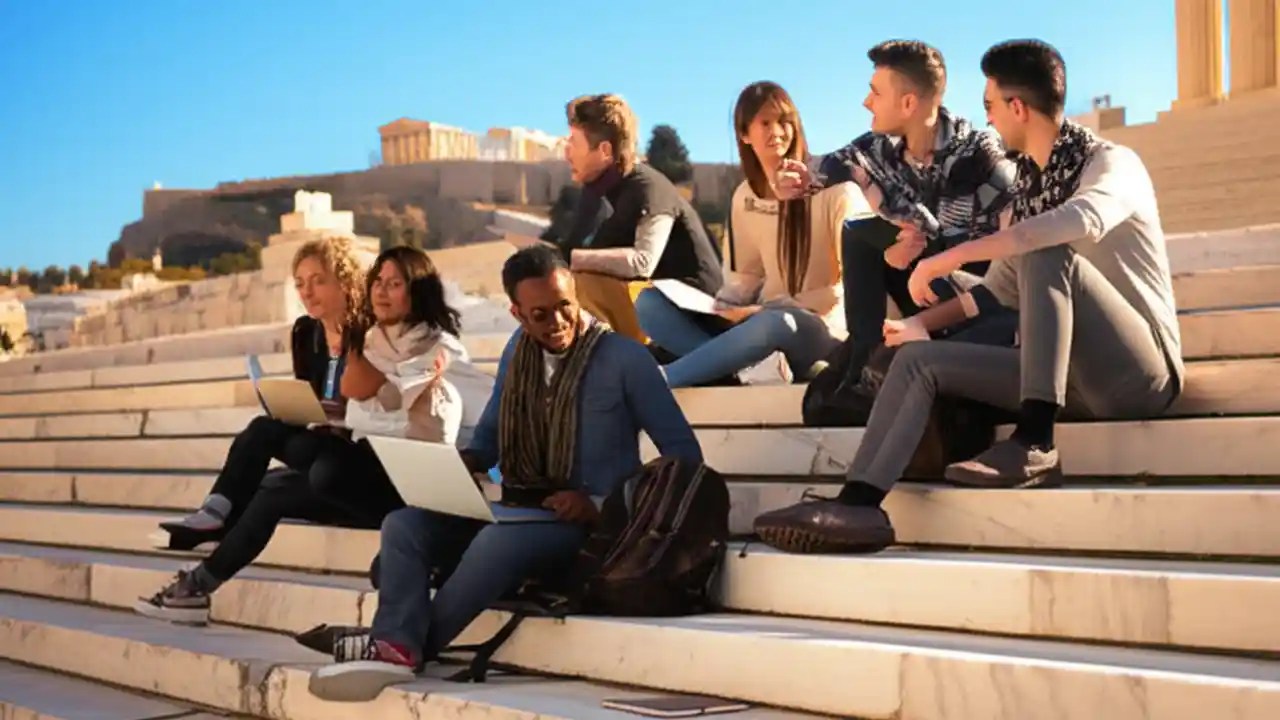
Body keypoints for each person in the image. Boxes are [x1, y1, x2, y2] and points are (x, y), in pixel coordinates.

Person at [754, 39, 1184, 554]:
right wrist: (922, 326)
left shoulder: (1112, 164)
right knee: (919, 362)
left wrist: (951, 256)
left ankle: (1035, 443)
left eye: (990, 106)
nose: (988, 121)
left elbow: (1079, 221)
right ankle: (858, 504)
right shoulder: (1026, 184)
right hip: (1060, 375)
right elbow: (1000, 287)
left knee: (1049, 251)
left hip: (1137, 374)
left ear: (1017, 108)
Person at [307, 244, 703, 702]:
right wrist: (466, 463)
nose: (556, 323)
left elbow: (683, 458)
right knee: (404, 524)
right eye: (539, 314)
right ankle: (393, 642)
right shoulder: (517, 350)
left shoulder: (625, 359)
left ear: (576, 296)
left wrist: (598, 504)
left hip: (585, 524)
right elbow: (490, 433)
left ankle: (397, 646)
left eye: (564, 308)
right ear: (516, 313)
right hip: (517, 505)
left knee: (498, 540)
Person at [137, 245, 470, 624]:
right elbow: (363, 400)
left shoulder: (433, 347)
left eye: (394, 284)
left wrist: (355, 355)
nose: (380, 291)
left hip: (401, 481)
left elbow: (390, 408)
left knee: (315, 469)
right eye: (378, 282)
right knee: (273, 476)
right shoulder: (364, 339)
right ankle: (198, 581)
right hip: (344, 459)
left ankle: (216, 525)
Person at [777, 40, 1019, 385]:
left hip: (981, 298)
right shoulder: (877, 149)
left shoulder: (981, 156)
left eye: (876, 93)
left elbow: (1015, 254)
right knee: (858, 231)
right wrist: (795, 178)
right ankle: (862, 364)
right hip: (924, 282)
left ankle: (913, 356)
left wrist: (931, 256)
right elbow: (820, 169)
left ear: (907, 103)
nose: (866, 102)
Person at [634, 81, 870, 388]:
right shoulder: (744, 196)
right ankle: (735, 371)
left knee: (774, 322)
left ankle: (668, 378)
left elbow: (852, 286)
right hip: (756, 323)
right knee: (649, 303)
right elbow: (745, 276)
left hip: (817, 328)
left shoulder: (836, 190)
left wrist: (774, 307)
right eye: (765, 123)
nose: (777, 131)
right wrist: (721, 306)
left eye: (784, 121)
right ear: (745, 135)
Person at [155, 236, 367, 546]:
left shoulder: (369, 332)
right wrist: (290, 406)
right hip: (320, 439)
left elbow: (370, 402)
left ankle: (215, 525)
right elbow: (310, 392)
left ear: (345, 281)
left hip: (355, 450)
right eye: (299, 283)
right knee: (262, 432)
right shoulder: (306, 332)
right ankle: (213, 513)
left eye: (318, 281)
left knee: (266, 481)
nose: (307, 292)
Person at [559, 93, 723, 343]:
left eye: (574, 142)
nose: (566, 153)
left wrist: (571, 259)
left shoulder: (648, 187)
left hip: (698, 317)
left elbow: (644, 260)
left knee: (582, 280)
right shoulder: (601, 193)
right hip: (659, 309)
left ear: (604, 150)